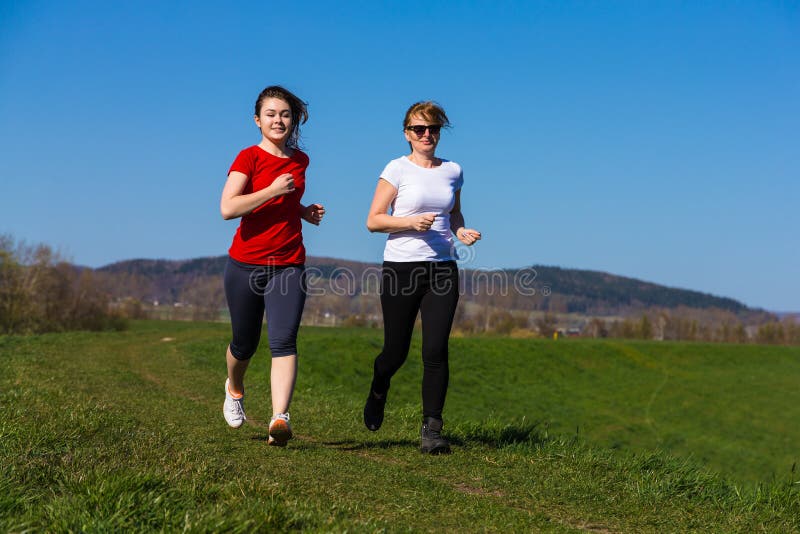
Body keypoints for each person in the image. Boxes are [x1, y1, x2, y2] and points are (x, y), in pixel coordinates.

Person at [363, 101, 481, 454]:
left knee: (435, 349)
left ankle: (432, 429)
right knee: (395, 352)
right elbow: (373, 220)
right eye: (419, 129)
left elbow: (454, 214)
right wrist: (408, 223)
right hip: (401, 268)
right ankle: (379, 384)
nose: (426, 135)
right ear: (407, 134)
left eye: (433, 129)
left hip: (443, 268)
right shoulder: (396, 169)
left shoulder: (453, 171)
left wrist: (460, 232)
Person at [219, 85, 325, 446]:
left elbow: (287, 198)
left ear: (292, 119)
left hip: (288, 263)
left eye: (284, 114)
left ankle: (279, 417)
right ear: (257, 120)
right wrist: (271, 192)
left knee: (284, 340)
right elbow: (228, 208)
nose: (278, 120)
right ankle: (234, 388)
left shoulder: (300, 160)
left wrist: (302, 211)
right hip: (245, 263)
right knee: (244, 344)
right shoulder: (248, 158)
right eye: (271, 114)